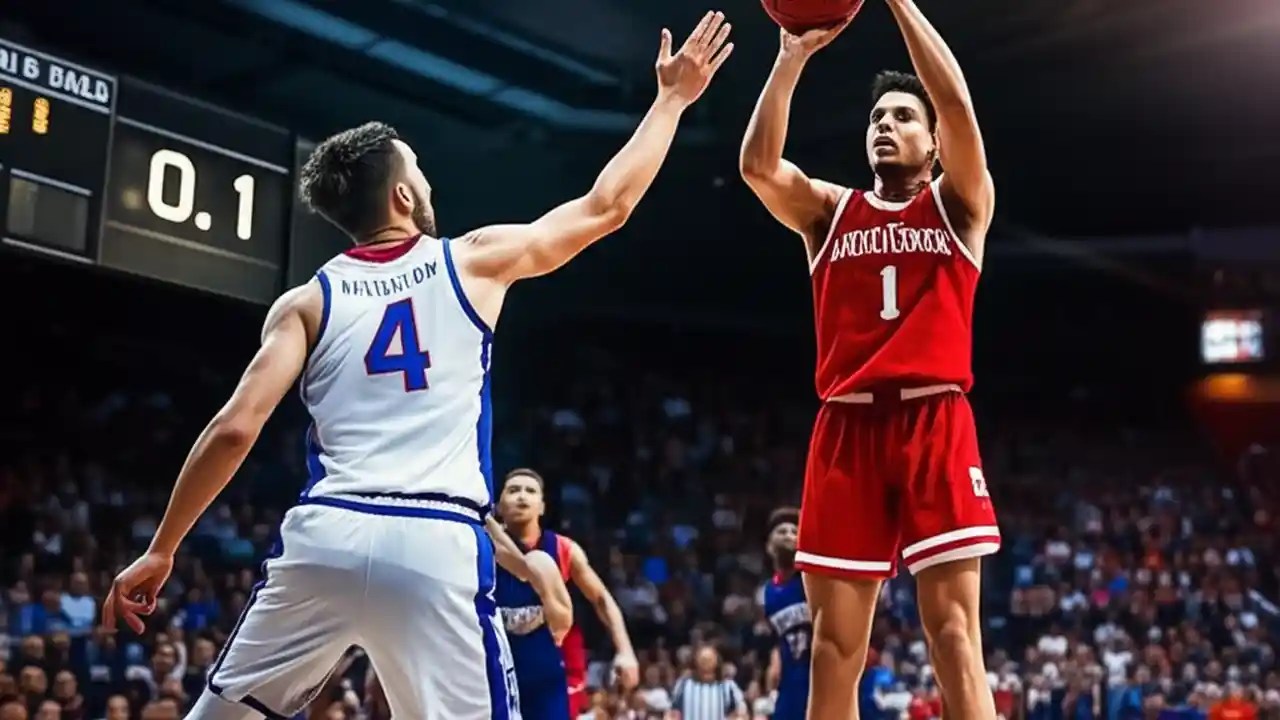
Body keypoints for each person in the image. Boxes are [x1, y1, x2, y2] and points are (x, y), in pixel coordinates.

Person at [100, 12, 734, 719]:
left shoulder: (306, 301)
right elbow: (606, 207)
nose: (428, 185)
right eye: (421, 175)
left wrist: (162, 549)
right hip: (435, 542)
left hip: (326, 537)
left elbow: (233, 429)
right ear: (402, 195)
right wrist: (672, 100)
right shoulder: (471, 257)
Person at [739, 0, 999, 718]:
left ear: (935, 144)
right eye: (877, 117)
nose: (885, 124)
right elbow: (758, 166)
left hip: (935, 422)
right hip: (847, 430)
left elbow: (956, 102)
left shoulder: (959, 206)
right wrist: (791, 56)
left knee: (953, 636)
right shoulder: (829, 211)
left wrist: (899, 4)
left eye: (902, 117)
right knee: (832, 649)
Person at [494, 468, 641, 719]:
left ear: (541, 506)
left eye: (530, 491)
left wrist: (625, 651)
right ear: (498, 506)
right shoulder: (481, 546)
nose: (521, 496)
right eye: (513, 490)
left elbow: (602, 599)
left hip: (544, 672)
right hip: (494, 666)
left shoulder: (564, 549)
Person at [761, 508, 809, 720]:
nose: (789, 535)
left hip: (821, 674)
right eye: (782, 531)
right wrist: (774, 661)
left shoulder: (812, 579)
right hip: (790, 679)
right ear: (770, 546)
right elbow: (777, 635)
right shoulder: (769, 591)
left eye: (794, 531)